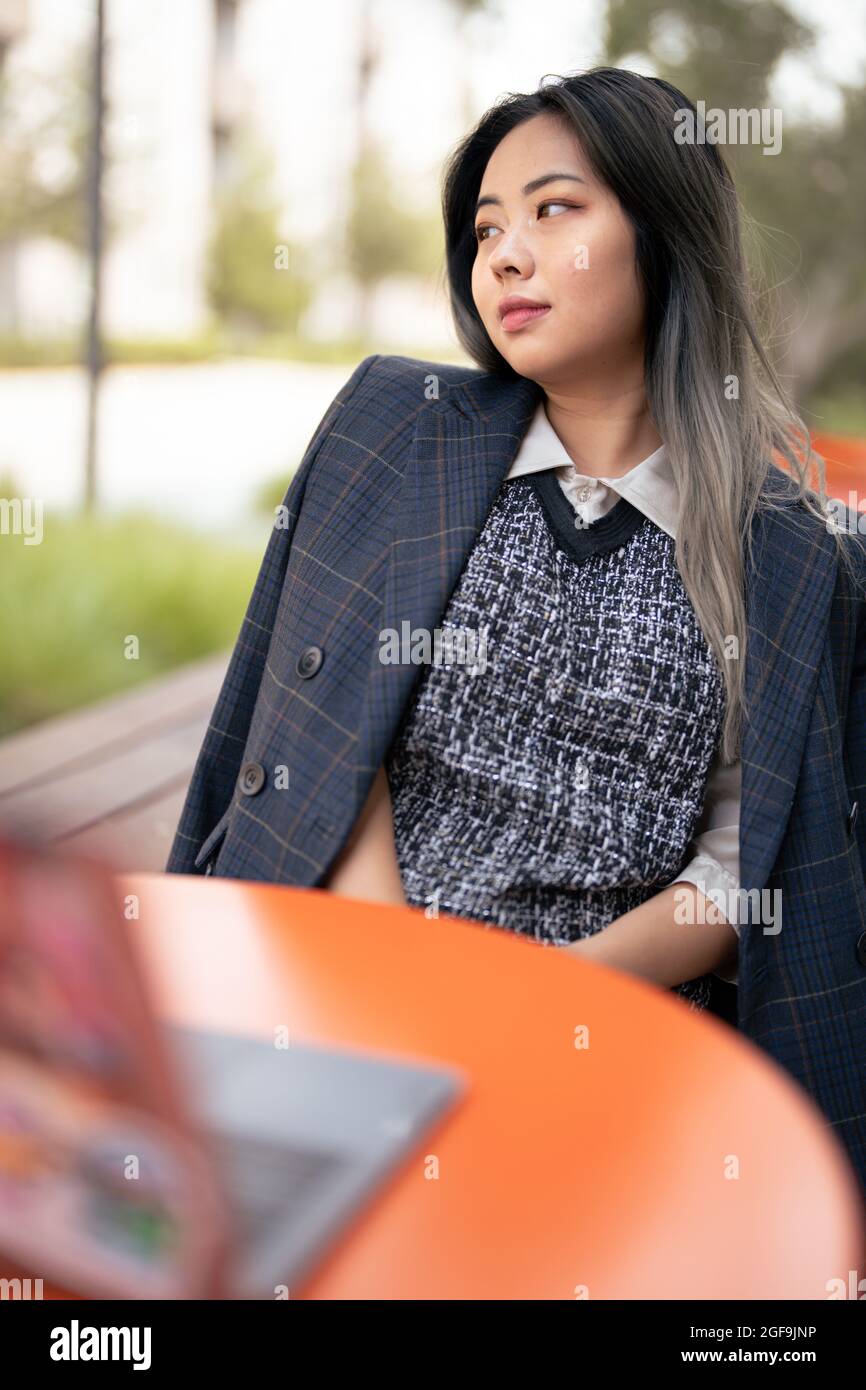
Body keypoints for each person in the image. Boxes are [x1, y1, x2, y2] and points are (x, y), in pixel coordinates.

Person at [167, 68, 866, 1192]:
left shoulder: (785, 548)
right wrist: (410, 993)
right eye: (487, 226)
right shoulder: (398, 432)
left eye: (553, 209)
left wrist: (544, 1005)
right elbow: (329, 731)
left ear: (660, 230)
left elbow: (745, 860)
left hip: (619, 1028)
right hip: (356, 983)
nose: (502, 254)